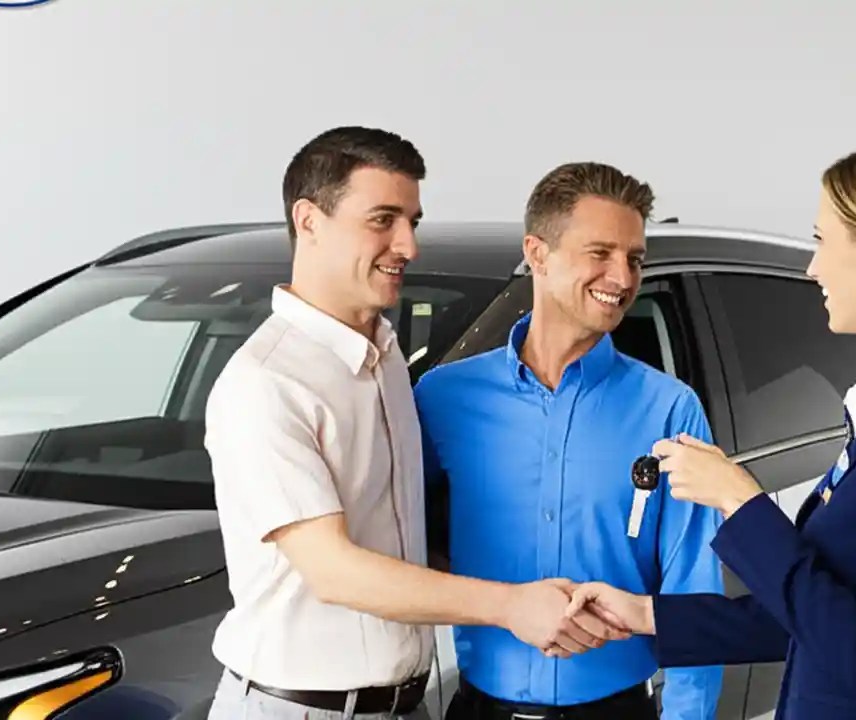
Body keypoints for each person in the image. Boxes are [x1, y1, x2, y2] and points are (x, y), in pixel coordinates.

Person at [568, 135, 856, 719]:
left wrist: (740, 500)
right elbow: (817, 616)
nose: (812, 267)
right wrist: (644, 615)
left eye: (821, 241)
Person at [204, 127, 624, 720]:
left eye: (413, 221)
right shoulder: (267, 384)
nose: (407, 245)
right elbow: (336, 572)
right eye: (383, 219)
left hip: (405, 705)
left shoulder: (386, 358)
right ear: (309, 220)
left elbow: (413, 530)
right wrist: (510, 606)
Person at [414, 162, 726, 720]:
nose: (623, 278)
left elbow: (691, 589)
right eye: (600, 253)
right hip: (476, 708)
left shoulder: (670, 409)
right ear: (537, 253)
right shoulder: (443, 400)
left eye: (634, 259)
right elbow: (403, 536)